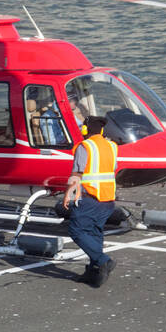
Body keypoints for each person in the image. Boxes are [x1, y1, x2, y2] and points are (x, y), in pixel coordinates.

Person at [62, 115, 118, 287]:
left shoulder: (85, 146)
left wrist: (67, 194)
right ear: (101, 130)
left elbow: (77, 174)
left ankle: (103, 261)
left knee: (77, 230)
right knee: (94, 233)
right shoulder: (112, 146)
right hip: (108, 199)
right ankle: (94, 272)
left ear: (85, 130)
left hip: (90, 197)